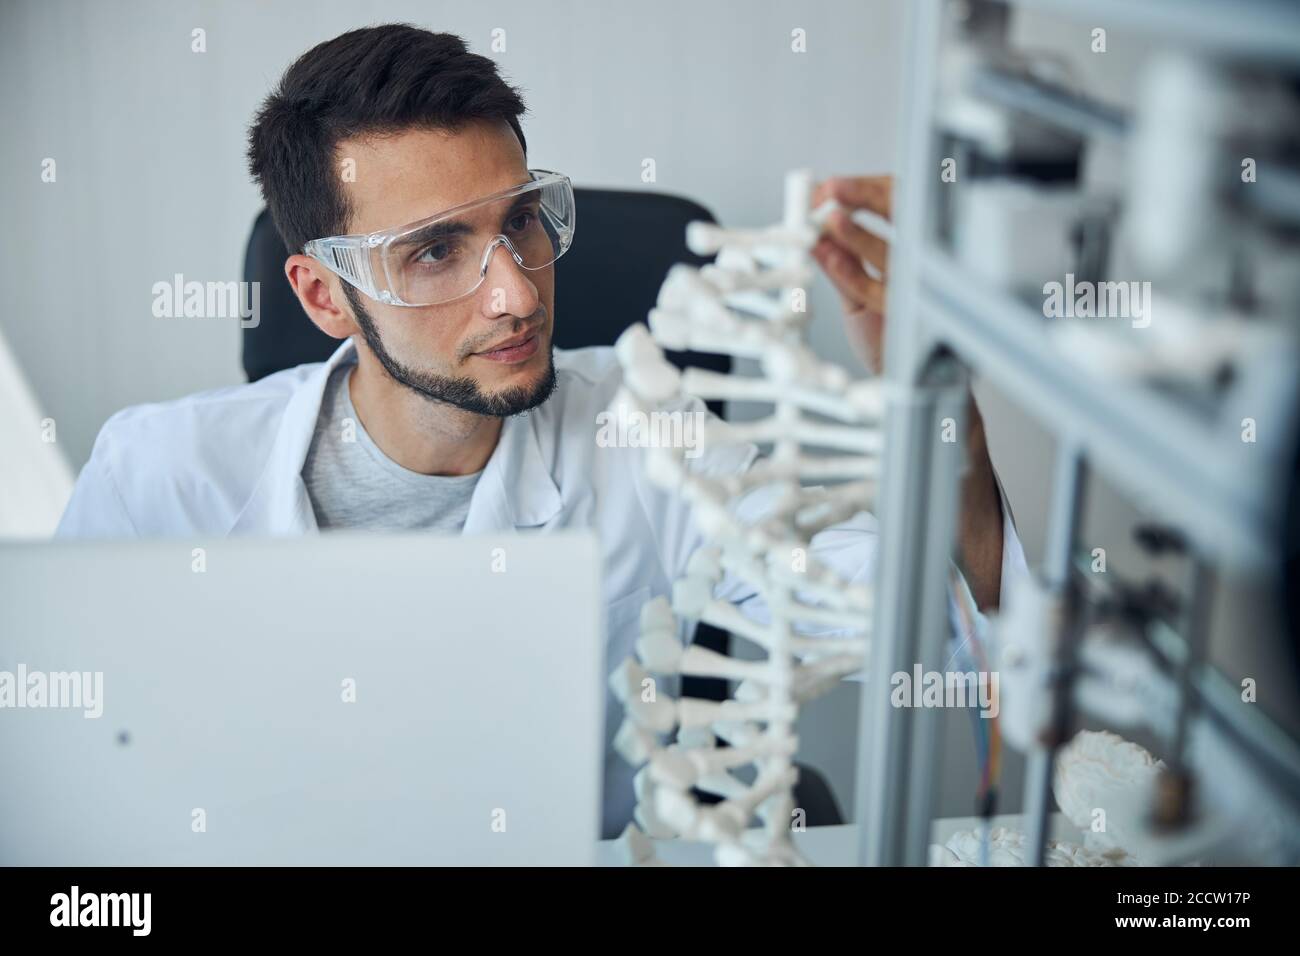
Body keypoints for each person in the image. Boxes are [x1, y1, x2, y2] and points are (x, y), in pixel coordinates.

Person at [57, 24, 1024, 837]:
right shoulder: (161, 480)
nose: (517, 295)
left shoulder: (643, 428)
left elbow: (937, 623)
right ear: (324, 297)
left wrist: (944, 415)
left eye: (520, 222)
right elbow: (68, 782)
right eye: (436, 251)